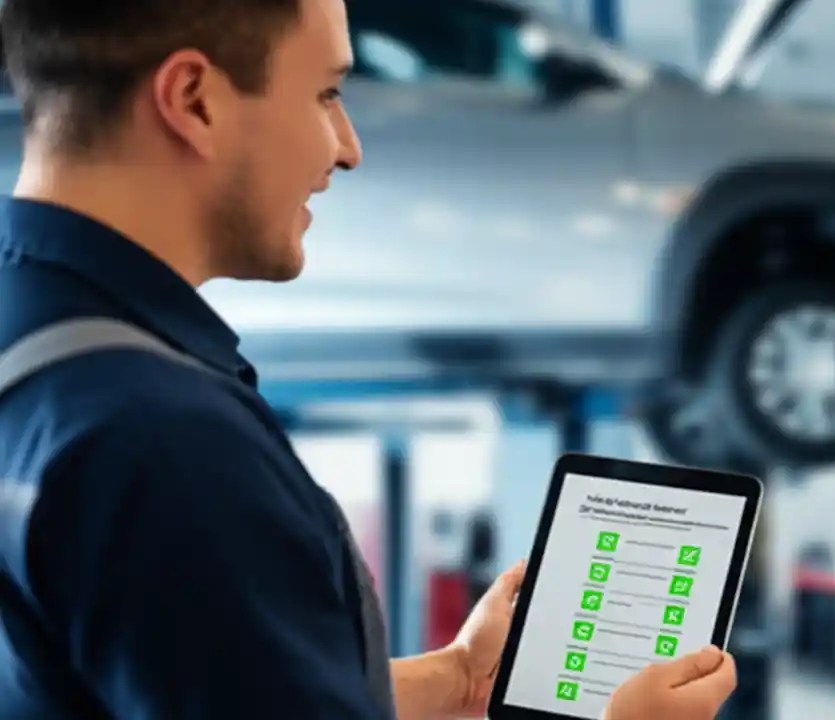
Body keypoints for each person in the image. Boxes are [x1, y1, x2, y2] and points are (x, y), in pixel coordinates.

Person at [0, 0, 736, 718]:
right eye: (325, 94)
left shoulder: (34, 337)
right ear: (195, 100)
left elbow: (187, 674)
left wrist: (457, 680)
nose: (346, 146)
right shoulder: (166, 441)